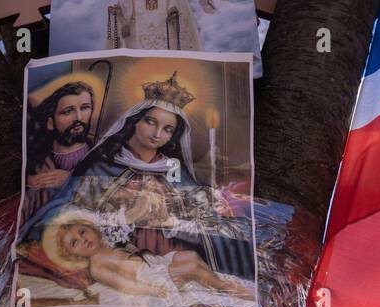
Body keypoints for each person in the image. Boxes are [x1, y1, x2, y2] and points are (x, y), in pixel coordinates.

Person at [21, 73, 255, 283]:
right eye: (150, 122)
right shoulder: (103, 163)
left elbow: (197, 212)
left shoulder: (173, 168)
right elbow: (65, 209)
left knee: (232, 234)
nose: (156, 134)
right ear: (135, 121)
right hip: (114, 252)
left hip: (173, 248)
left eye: (167, 129)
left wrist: (171, 214)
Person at [42, 208, 252, 300]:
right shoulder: (97, 267)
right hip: (152, 278)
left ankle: (214, 283)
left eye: (83, 231)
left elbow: (129, 254)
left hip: (156, 264)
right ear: (72, 255)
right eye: (75, 243)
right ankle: (223, 288)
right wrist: (152, 290)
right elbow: (124, 284)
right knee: (189, 267)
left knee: (189, 256)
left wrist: (132, 252)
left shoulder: (108, 246)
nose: (84, 239)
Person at [24, 82, 96, 218]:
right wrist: (27, 182)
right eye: (68, 111)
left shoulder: (100, 153)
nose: (79, 118)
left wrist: (73, 180)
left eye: (85, 108)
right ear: (50, 123)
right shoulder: (39, 157)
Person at [106, 0, 210, 51]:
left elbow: (175, 3)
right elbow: (125, 6)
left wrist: (173, 9)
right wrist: (120, 14)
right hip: (138, 28)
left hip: (166, 26)